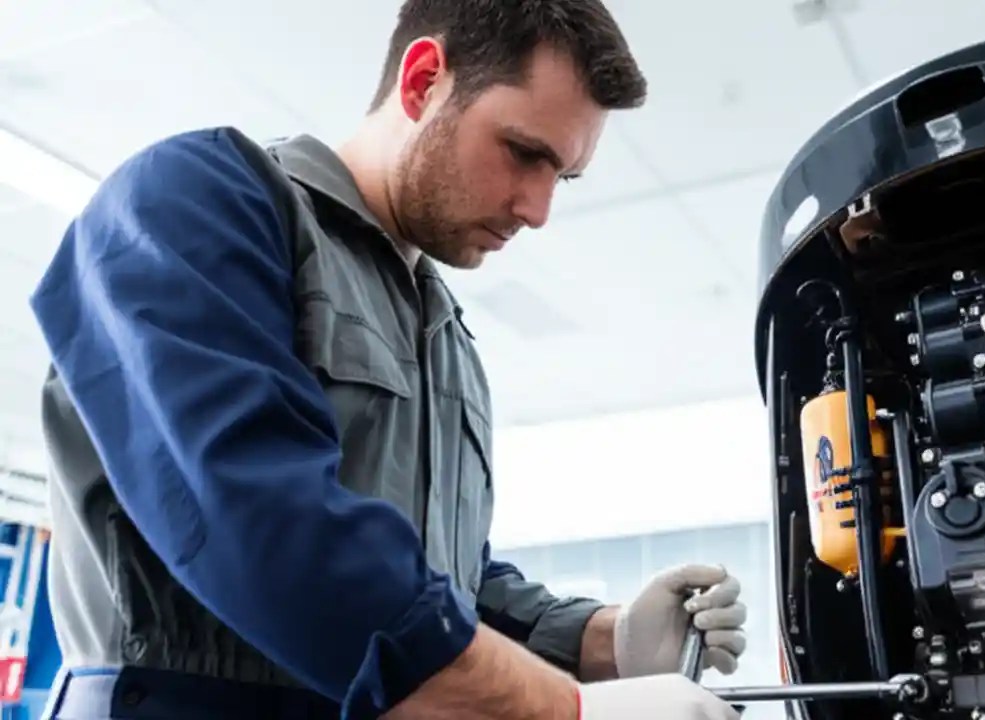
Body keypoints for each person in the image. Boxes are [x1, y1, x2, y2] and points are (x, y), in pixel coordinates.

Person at [27, 1, 749, 718]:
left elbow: (444, 586)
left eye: (562, 176)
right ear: (423, 80)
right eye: (526, 152)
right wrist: (570, 711)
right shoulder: (197, 202)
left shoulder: (448, 338)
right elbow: (261, 522)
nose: (538, 209)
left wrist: (605, 640)